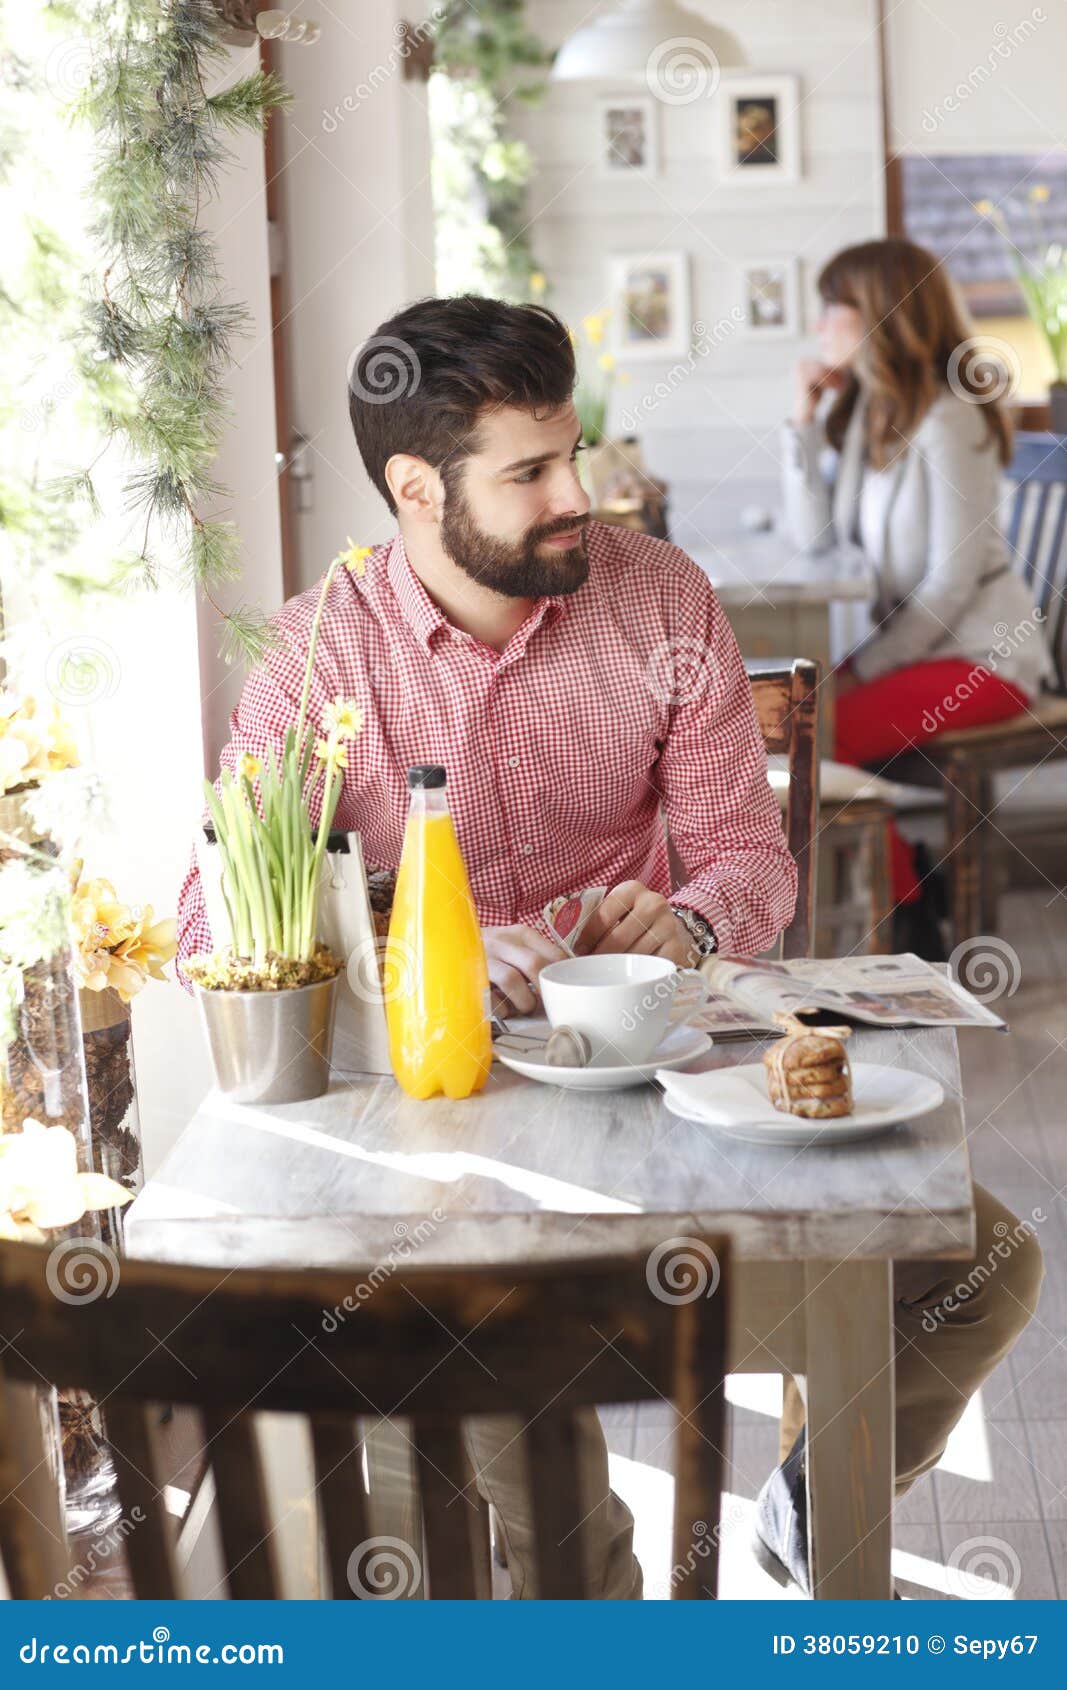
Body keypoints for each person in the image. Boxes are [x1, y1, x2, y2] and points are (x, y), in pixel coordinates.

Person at [175, 294, 1042, 1598]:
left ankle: (806, 1511)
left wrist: (689, 920)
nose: (575, 494)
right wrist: (411, 955)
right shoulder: (315, 656)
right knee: (533, 1487)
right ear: (416, 489)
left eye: (569, 452)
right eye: (528, 472)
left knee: (982, 1270)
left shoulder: (659, 598)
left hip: (657, 1082)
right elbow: (211, 924)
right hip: (445, 1121)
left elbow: (748, 858)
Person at [782, 237, 1052, 955]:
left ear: (878, 313)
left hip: (983, 658)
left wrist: (866, 668)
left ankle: (907, 913)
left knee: (815, 732)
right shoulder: (875, 409)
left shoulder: (948, 417)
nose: (818, 326)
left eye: (832, 308)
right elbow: (814, 539)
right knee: (792, 716)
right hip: (921, 650)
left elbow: (951, 583)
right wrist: (803, 426)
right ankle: (912, 888)